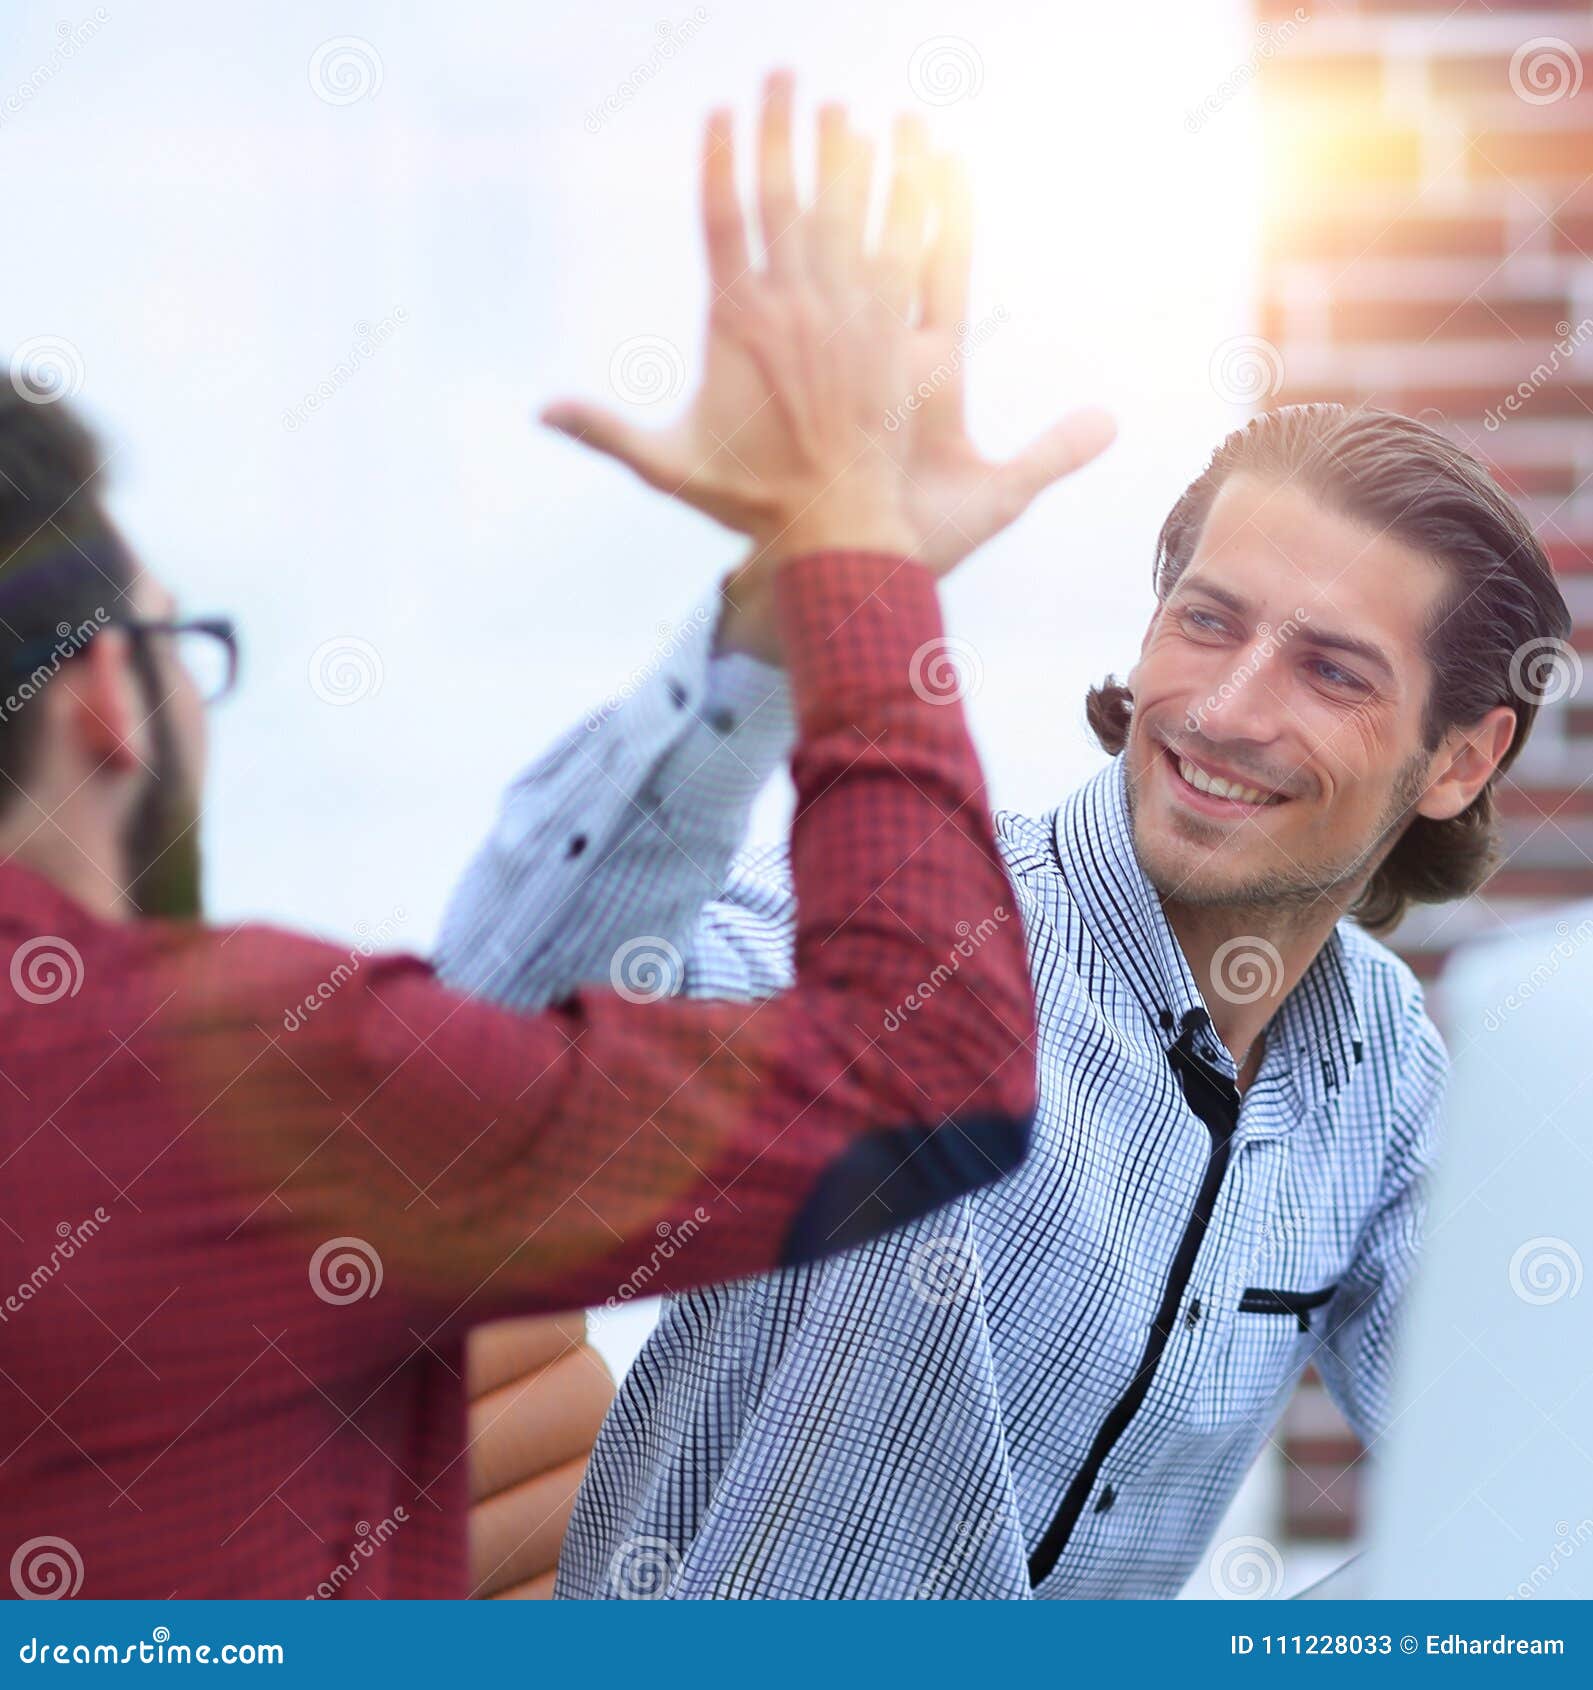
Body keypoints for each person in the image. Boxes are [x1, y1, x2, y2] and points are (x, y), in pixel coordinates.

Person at [440, 157, 1576, 1593]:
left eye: (1331, 671)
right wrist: (790, 605)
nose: (1226, 710)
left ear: (1459, 760)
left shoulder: (1379, 1067)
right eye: (1206, 622)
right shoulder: (906, 933)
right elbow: (484, 1056)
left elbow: (1527, 1483)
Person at [0, 77, 1051, 1598]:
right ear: (109, 699)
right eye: (185, 643)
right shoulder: (236, 1078)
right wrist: (850, 541)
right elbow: (928, 1070)